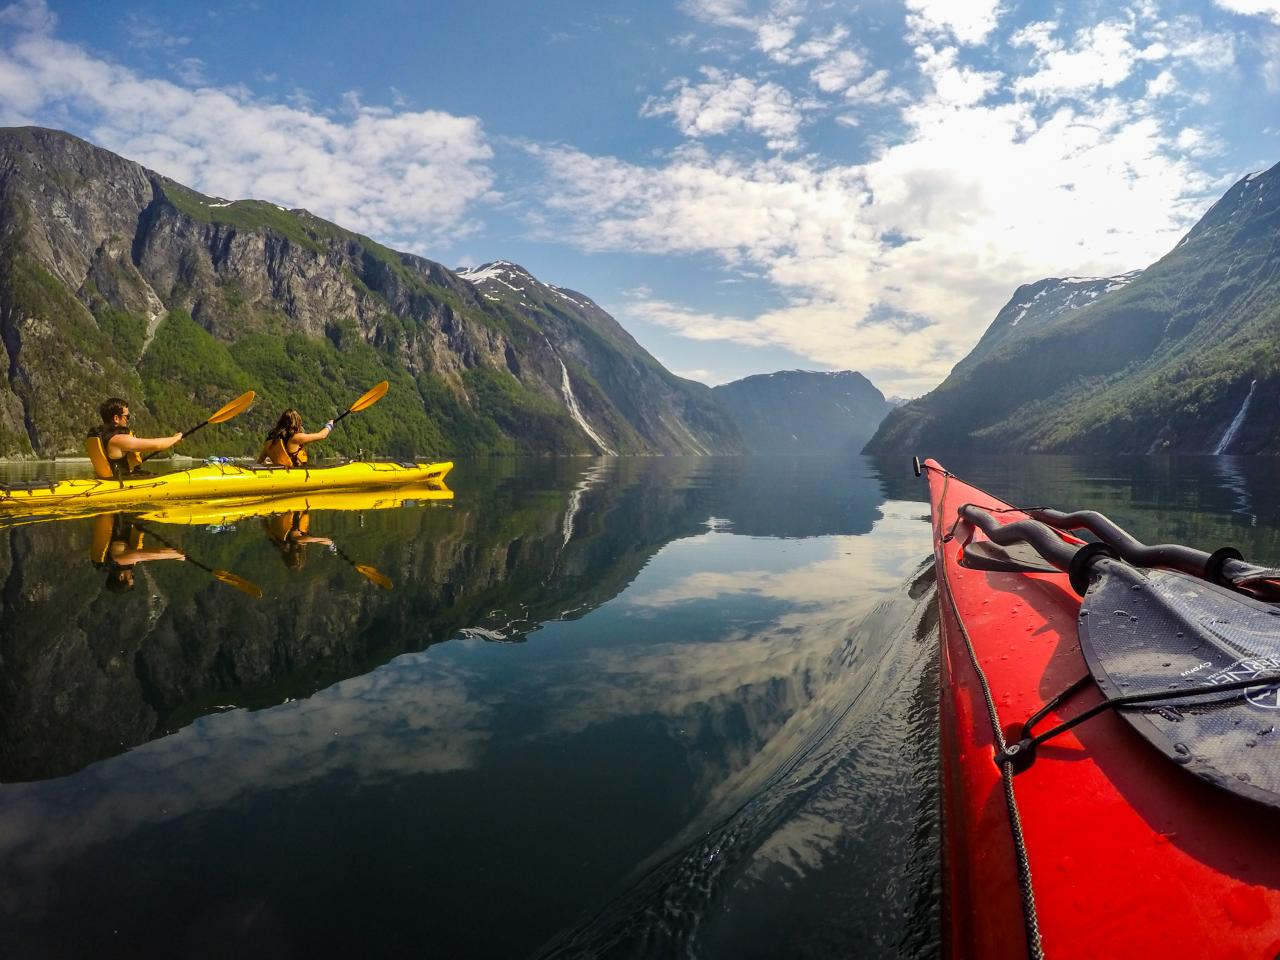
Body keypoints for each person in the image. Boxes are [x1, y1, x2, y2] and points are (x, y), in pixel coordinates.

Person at [88, 398, 183, 478]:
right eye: (127, 417)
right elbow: (158, 445)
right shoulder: (117, 440)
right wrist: (176, 438)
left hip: (110, 481)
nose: (127, 420)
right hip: (120, 485)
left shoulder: (101, 435)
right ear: (116, 418)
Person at [258, 409, 333, 467]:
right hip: (294, 472)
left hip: (280, 472)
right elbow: (322, 435)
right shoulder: (296, 438)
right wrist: (329, 425)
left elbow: (259, 461)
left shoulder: (272, 439)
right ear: (297, 422)